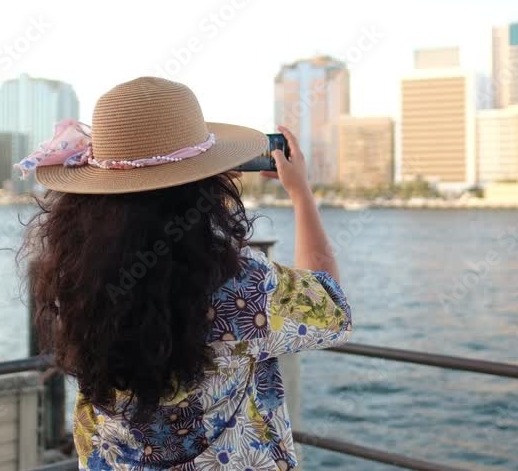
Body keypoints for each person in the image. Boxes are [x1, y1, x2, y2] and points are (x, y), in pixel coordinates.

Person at [18, 77, 352, 471]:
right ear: (206, 185)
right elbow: (330, 308)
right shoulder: (242, 287)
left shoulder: (72, 277)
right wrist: (301, 195)